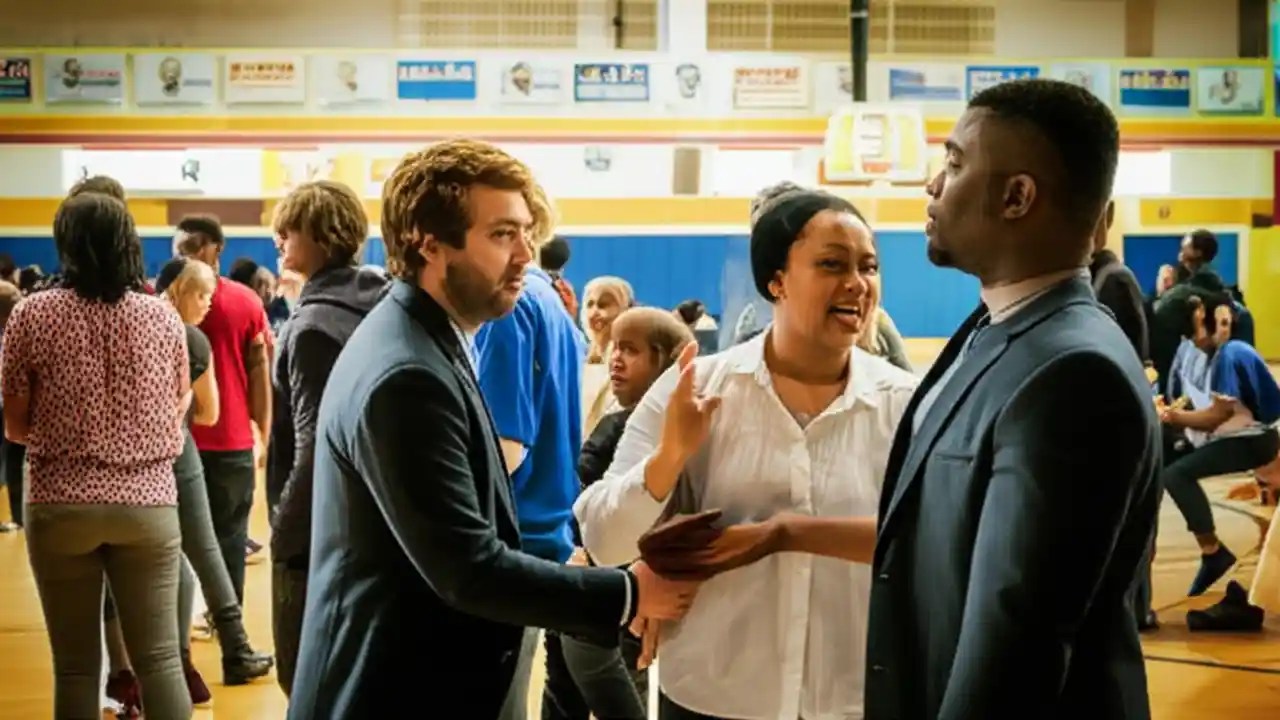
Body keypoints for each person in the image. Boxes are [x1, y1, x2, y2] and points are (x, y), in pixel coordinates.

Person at [286, 139, 697, 720]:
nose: (526, 254)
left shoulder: (426, 337)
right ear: (427, 242)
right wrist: (629, 592)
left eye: (527, 233)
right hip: (395, 690)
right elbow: (468, 569)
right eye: (503, 234)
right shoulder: (407, 374)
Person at [864, 79, 1161, 719]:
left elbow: (1015, 650)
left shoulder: (1075, 375)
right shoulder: (996, 325)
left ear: (1018, 197)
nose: (933, 185)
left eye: (954, 162)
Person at [576, 189, 918, 720]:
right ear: (775, 281)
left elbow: (928, 540)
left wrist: (782, 534)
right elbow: (603, 539)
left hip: (853, 701)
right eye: (832, 264)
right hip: (711, 699)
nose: (857, 283)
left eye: (868, 266)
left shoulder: (907, 406)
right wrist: (670, 457)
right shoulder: (694, 389)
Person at [2, 192, 192, 718]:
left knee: (75, 666)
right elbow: (179, 401)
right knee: (159, 661)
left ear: (66, 244)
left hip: (60, 501)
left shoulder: (31, 314)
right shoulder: (161, 317)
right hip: (150, 503)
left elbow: (15, 426)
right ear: (128, 244)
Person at [267, 180, 390, 696]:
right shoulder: (383, 303)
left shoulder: (316, 325)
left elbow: (313, 445)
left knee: (305, 679)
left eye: (288, 228)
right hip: (374, 520)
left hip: (320, 529)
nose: (277, 239)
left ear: (319, 235)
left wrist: (285, 531)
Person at [473, 228, 590, 718]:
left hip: (511, 540)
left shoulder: (509, 311)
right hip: (546, 532)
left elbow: (506, 449)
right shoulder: (555, 309)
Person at [562, 306, 695, 720]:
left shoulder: (661, 430)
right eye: (614, 348)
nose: (615, 358)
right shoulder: (614, 423)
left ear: (667, 362)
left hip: (626, 594)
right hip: (601, 582)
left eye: (631, 350)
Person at [174, 215, 273, 604]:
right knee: (181, 540)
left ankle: (224, 618)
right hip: (178, 443)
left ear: (216, 249)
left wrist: (262, 435)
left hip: (230, 441)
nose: (185, 253)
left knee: (230, 537)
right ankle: (189, 620)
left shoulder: (245, 301)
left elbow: (260, 370)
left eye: (193, 245)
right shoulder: (157, 302)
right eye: (179, 247)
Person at [1159, 291, 1280, 596]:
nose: (1194, 340)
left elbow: (1216, 416)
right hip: (1224, 434)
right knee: (1164, 465)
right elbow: (1182, 395)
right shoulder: (1190, 351)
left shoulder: (1232, 354)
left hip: (1253, 438)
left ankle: (1213, 552)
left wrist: (1172, 418)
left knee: (1176, 475)